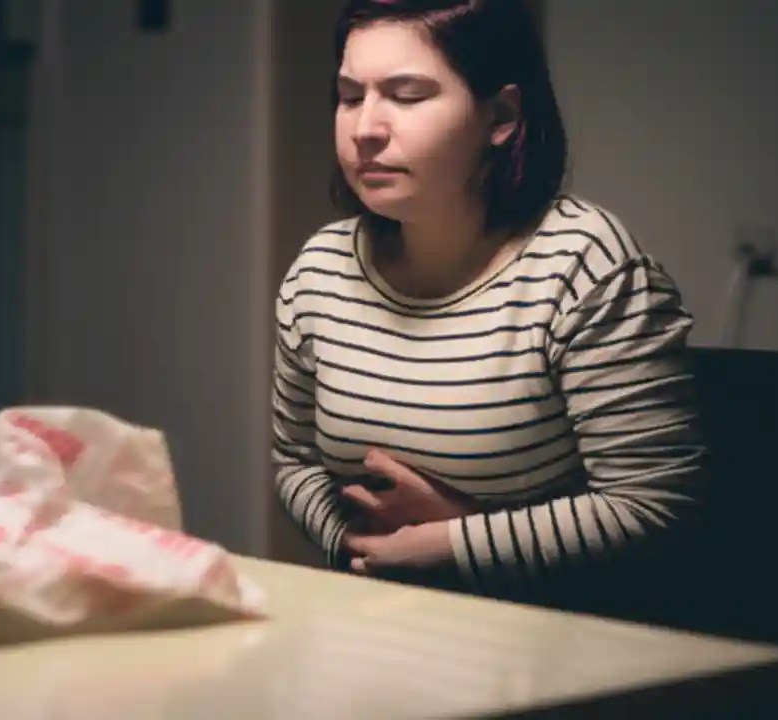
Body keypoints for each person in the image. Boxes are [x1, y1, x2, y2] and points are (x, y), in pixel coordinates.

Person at [272, 0, 708, 607]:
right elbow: (294, 460)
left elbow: (655, 505)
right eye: (350, 96)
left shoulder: (584, 263)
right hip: (383, 625)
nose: (365, 128)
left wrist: (451, 543)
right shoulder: (320, 269)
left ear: (500, 115)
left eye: (407, 94)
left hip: (561, 645)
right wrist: (360, 549)